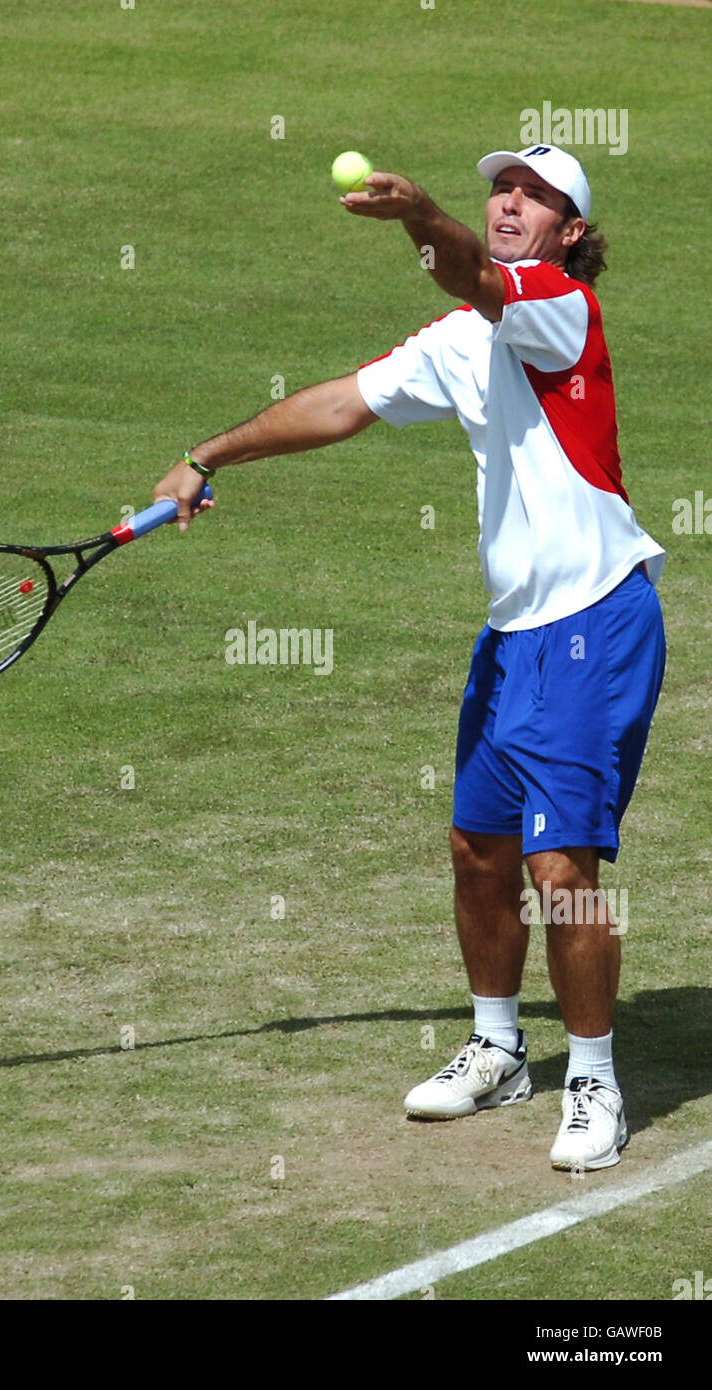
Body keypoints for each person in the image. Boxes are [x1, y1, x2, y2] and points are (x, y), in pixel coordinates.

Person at [152, 144, 666, 1172]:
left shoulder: (558, 309)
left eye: (536, 196)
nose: (511, 201)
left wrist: (420, 216)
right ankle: (498, 1045)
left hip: (595, 620)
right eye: (502, 188)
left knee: (562, 867)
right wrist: (207, 456)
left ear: (568, 233)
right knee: (478, 851)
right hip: (512, 636)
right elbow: (344, 402)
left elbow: (470, 269)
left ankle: (595, 1081)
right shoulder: (463, 338)